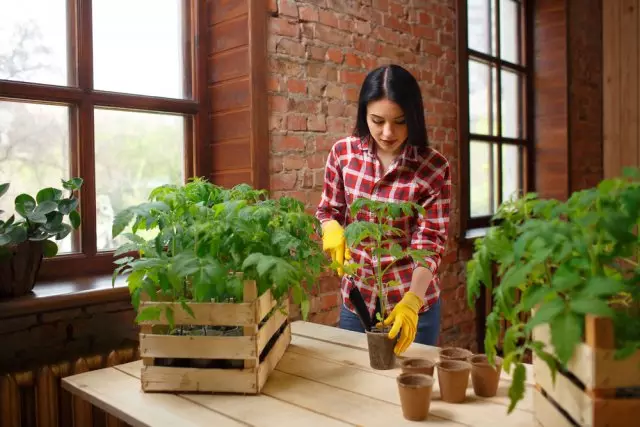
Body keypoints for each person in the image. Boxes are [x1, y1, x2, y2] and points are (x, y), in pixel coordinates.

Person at [315, 64, 452, 355]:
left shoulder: (433, 168)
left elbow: (429, 242)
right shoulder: (343, 154)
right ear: (364, 114)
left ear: (414, 118)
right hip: (357, 301)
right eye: (377, 120)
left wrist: (413, 300)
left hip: (412, 304)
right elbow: (328, 210)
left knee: (410, 387)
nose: (388, 132)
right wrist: (330, 226)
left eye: (400, 122)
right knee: (356, 386)